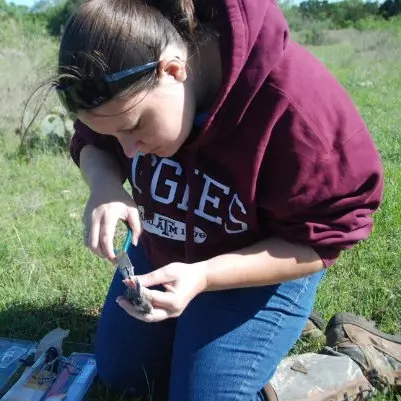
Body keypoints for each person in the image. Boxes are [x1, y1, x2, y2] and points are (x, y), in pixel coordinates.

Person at [55, 0, 384, 400]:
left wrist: (206, 276)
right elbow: (95, 139)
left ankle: (349, 360)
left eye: (136, 126)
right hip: (168, 244)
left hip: (262, 262)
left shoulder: (296, 107)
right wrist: (103, 184)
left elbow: (325, 236)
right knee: (123, 373)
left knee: (205, 395)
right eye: (117, 135)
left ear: (173, 70)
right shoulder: (126, 77)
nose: (129, 150)